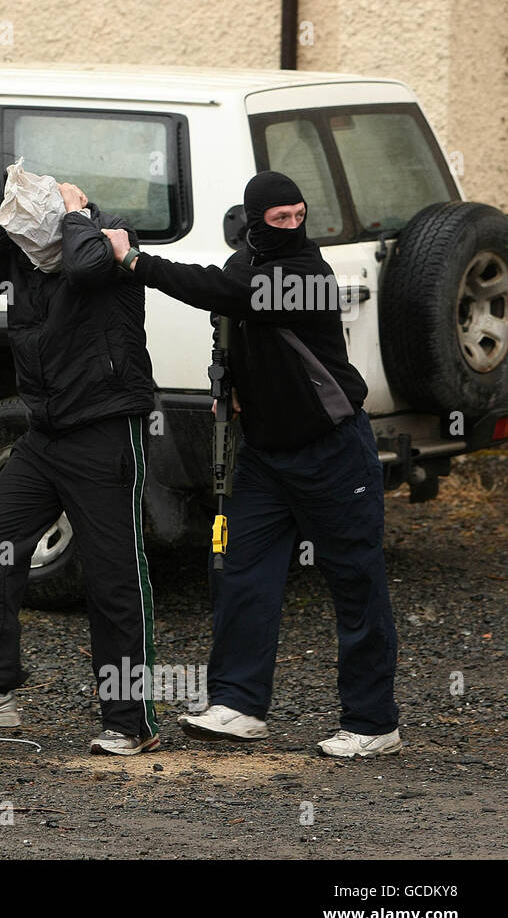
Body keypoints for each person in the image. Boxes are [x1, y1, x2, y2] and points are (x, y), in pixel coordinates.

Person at [102, 170, 401, 758]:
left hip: (332, 450)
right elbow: (231, 292)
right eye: (278, 219)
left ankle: (373, 722)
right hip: (261, 455)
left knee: (356, 582)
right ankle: (238, 704)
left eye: (299, 216)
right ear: (257, 221)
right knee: (240, 574)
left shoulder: (309, 277)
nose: (291, 227)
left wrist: (135, 261)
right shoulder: (249, 262)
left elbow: (226, 294)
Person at [0, 181, 163, 756]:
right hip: (45, 435)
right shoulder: (23, 256)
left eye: (37, 222)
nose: (28, 235)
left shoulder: (105, 244)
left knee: (113, 578)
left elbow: (84, 268)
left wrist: (77, 215)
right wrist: (2, 217)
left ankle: (131, 721)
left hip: (107, 430)